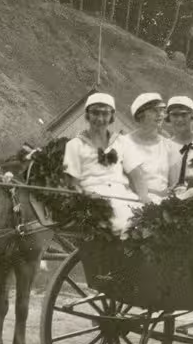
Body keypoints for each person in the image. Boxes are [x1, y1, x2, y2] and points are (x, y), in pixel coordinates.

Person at [61, 92, 149, 237]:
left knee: (150, 216)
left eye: (105, 114)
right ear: (87, 115)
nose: (100, 119)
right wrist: (86, 195)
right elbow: (73, 184)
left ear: (112, 117)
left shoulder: (122, 142)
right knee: (123, 223)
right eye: (95, 113)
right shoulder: (74, 145)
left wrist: (144, 196)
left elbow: (137, 175)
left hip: (123, 196)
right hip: (94, 199)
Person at [116, 93, 174, 201]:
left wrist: (164, 195)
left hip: (165, 203)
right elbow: (125, 181)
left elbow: (174, 183)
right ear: (140, 115)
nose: (159, 114)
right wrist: (156, 193)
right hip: (132, 201)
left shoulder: (168, 145)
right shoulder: (123, 142)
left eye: (161, 110)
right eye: (154, 111)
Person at [164, 95, 193, 188]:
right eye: (175, 115)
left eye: (184, 114)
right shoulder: (165, 146)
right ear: (169, 117)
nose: (179, 119)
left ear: (192, 116)